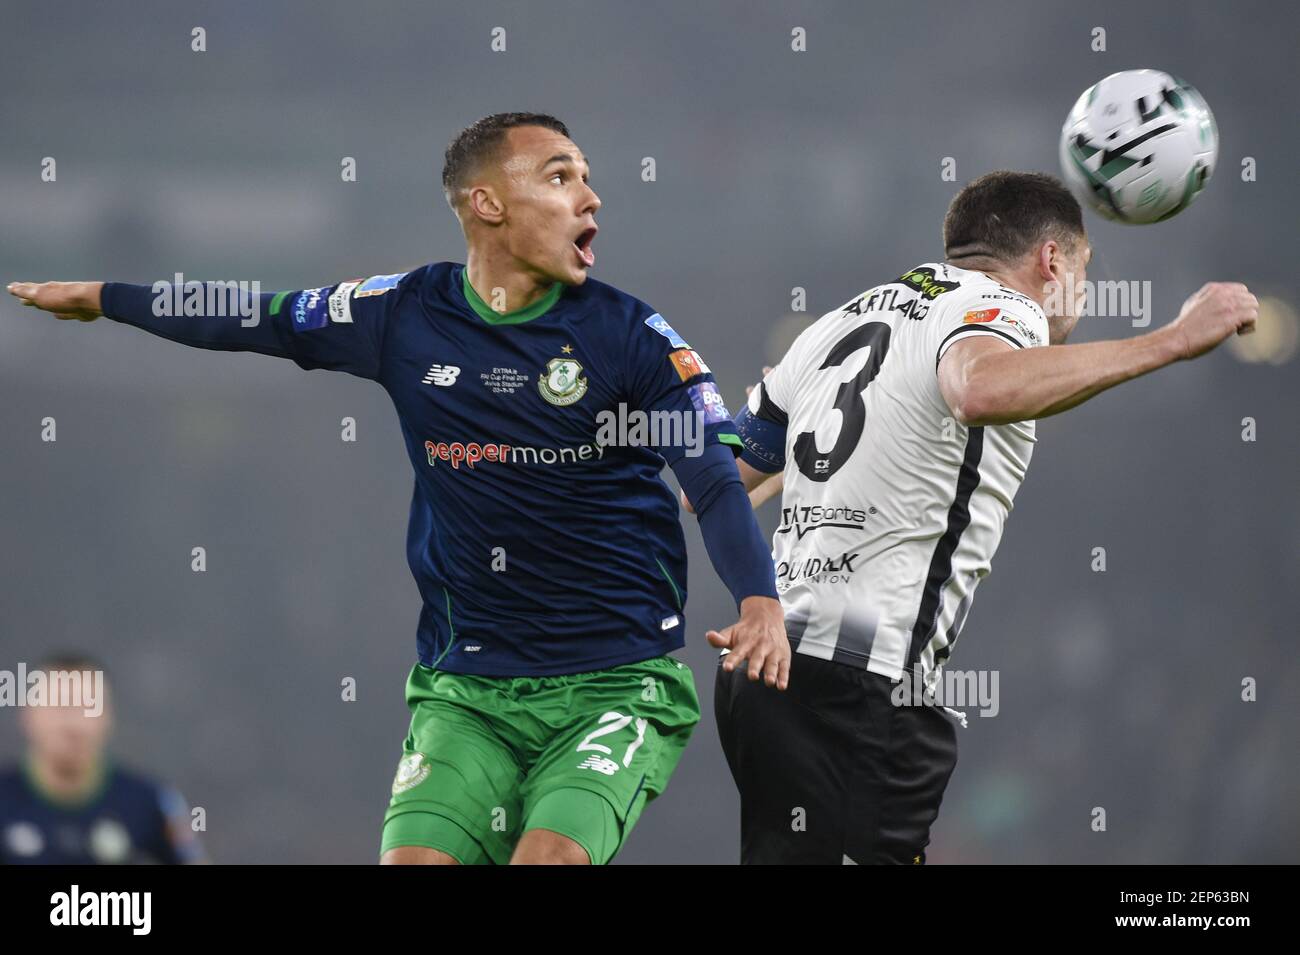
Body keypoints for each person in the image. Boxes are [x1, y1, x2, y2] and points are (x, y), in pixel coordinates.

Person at [9, 112, 788, 865]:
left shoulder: (635, 339)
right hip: (467, 690)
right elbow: (259, 316)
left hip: (615, 682)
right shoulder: (404, 313)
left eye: (588, 178)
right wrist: (109, 297)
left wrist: (757, 601)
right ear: (487, 204)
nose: (591, 197)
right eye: (560, 177)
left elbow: (715, 481)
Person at [712, 171, 1257, 864]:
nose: (1082, 298)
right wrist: (1173, 340)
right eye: (1084, 272)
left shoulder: (838, 321)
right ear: (1051, 261)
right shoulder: (1003, 305)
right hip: (857, 681)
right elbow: (978, 386)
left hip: (767, 669)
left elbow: (719, 482)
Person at [0, 654, 206, 864]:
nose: (74, 725)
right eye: (59, 706)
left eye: (89, 707)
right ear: (28, 714)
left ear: (109, 716)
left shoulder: (151, 801)